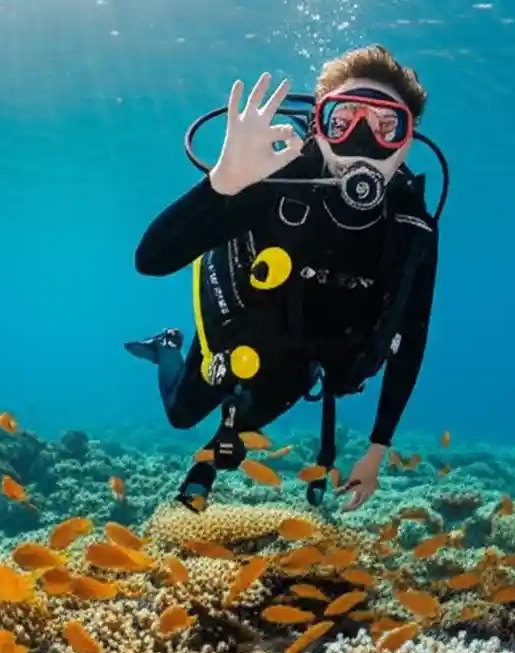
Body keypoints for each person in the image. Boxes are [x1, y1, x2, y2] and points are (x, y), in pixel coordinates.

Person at [127, 45, 447, 514]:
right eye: (344, 120)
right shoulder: (275, 180)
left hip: (303, 363)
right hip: (242, 330)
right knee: (180, 414)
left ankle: (210, 464)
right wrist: (220, 184)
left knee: (242, 433)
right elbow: (150, 259)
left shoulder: (412, 226)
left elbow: (412, 336)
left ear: (407, 141)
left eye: (385, 125)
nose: (363, 140)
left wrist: (378, 450)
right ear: (319, 125)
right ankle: (166, 348)